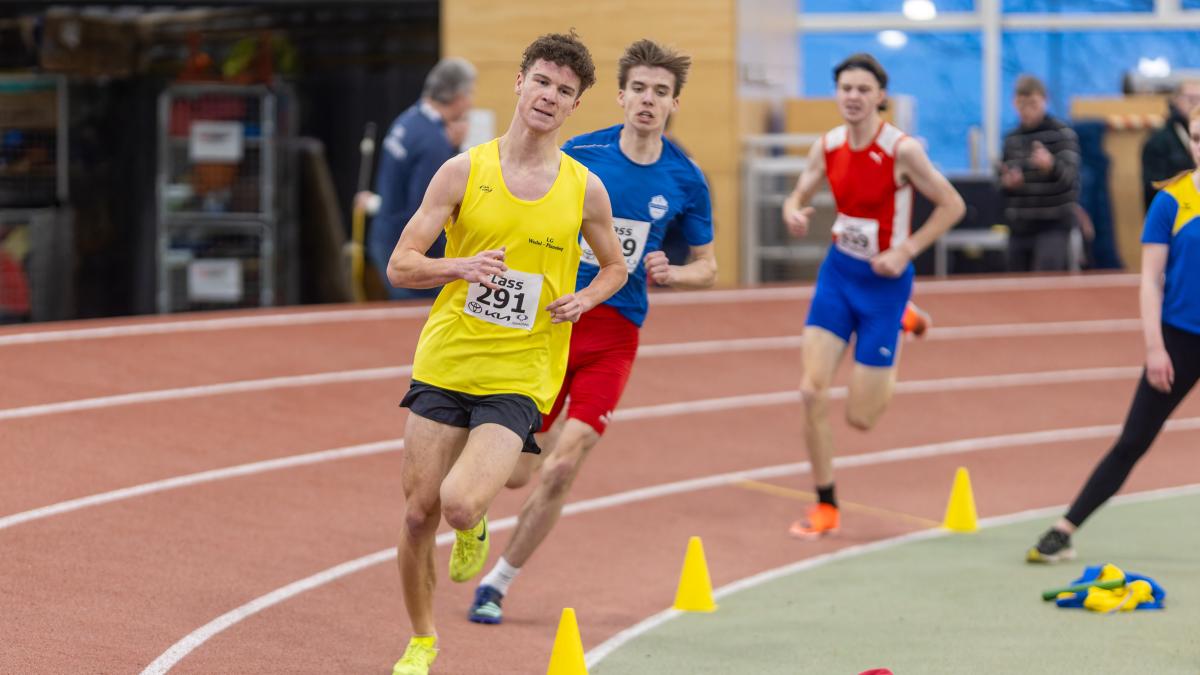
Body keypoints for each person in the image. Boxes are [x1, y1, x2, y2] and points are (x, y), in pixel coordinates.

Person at [386, 32, 627, 675]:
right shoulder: (464, 170)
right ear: (520, 83)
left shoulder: (585, 189)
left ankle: (474, 525)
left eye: (565, 91)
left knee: (460, 503)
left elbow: (615, 268)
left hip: (522, 369)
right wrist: (461, 267)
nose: (550, 96)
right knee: (416, 514)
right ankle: (422, 638)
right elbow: (401, 264)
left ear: (575, 107)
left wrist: (586, 301)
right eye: (542, 82)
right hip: (449, 358)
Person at [466, 39, 718, 625]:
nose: (648, 102)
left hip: (616, 334)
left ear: (673, 103)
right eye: (639, 90)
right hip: (556, 324)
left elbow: (710, 266)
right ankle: (472, 510)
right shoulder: (581, 153)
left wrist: (676, 272)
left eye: (660, 93)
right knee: (520, 471)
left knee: (562, 464)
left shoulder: (686, 178)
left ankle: (498, 584)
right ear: (621, 95)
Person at [780, 52, 965, 539]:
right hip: (839, 276)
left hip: (886, 286)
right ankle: (826, 504)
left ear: (880, 96)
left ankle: (904, 317)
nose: (854, 97)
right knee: (809, 391)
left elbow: (952, 204)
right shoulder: (828, 146)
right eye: (846, 89)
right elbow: (798, 192)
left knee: (862, 418)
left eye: (864, 89)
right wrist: (794, 210)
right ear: (837, 94)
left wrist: (906, 249)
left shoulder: (902, 150)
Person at [1027, 106, 1200, 564]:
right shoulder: (1172, 201)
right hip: (1179, 338)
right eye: (1198, 138)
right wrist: (1155, 348)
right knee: (1133, 440)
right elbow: (1150, 280)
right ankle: (1065, 528)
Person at [361, 57, 476, 300]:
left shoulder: (408, 119)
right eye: (470, 94)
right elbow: (426, 207)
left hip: (385, 234)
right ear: (458, 97)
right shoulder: (433, 142)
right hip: (406, 248)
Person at [997, 74, 1081, 272]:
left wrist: (1051, 166)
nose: (1026, 110)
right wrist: (1008, 183)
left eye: (1033, 103)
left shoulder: (1062, 133)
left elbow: (1072, 178)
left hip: (1053, 224)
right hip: (1019, 225)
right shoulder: (1011, 139)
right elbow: (999, 182)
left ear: (1045, 100)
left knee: (1046, 281)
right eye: (1021, 103)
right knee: (1016, 289)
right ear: (1014, 103)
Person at [1141, 78, 1200, 211]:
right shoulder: (1158, 141)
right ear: (1176, 100)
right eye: (1191, 99)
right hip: (1177, 213)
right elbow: (1153, 189)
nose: (1196, 104)